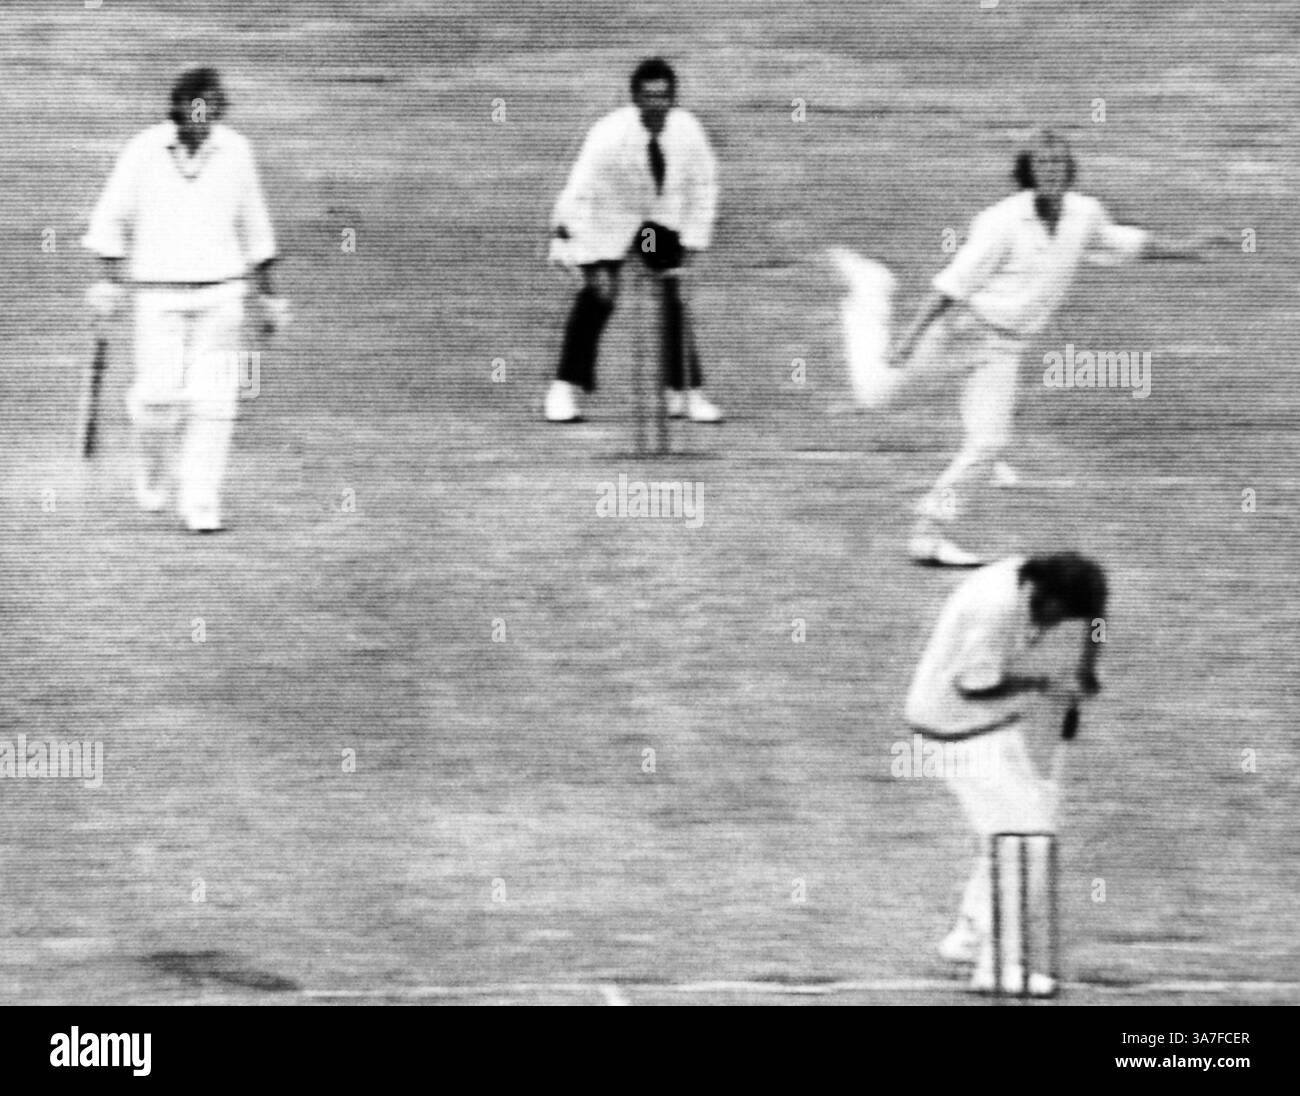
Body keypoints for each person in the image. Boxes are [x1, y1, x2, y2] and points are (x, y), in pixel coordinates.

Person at [835, 129, 1222, 566]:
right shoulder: (1000, 222)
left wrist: (1187, 249)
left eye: (1059, 164)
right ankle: (870, 293)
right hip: (961, 331)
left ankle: (928, 533)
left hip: (1004, 350)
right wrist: (909, 340)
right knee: (874, 395)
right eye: (1043, 166)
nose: (1052, 172)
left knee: (989, 442)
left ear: (1069, 171)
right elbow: (953, 283)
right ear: (1028, 174)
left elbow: (1124, 242)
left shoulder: (1084, 214)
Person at [83, 67, 289, 532]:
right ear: (178, 108)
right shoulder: (142, 151)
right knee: (157, 400)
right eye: (197, 106)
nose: (205, 116)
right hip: (158, 297)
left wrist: (270, 297)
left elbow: (255, 227)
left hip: (222, 295)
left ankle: (201, 502)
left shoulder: (236, 151)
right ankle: (153, 469)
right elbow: (110, 220)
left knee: (214, 403)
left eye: (214, 107)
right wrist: (109, 283)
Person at [904, 552, 1106, 996]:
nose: (1057, 625)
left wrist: (1086, 671)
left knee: (1031, 824)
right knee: (1024, 841)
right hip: (953, 732)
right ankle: (995, 967)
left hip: (993, 726)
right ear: (1043, 594)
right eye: (1058, 614)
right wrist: (1043, 684)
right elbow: (973, 684)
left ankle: (970, 934)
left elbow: (1096, 618)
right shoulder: (992, 611)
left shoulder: (1038, 578)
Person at [545, 57, 722, 424]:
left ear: (673, 98)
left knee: (672, 291)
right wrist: (569, 251)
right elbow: (578, 191)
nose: (656, 104)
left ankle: (684, 391)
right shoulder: (608, 134)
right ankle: (563, 389)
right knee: (601, 296)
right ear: (635, 99)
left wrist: (691, 244)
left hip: (649, 230)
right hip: (602, 223)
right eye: (648, 96)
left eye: (664, 96)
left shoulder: (688, 130)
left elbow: (704, 186)